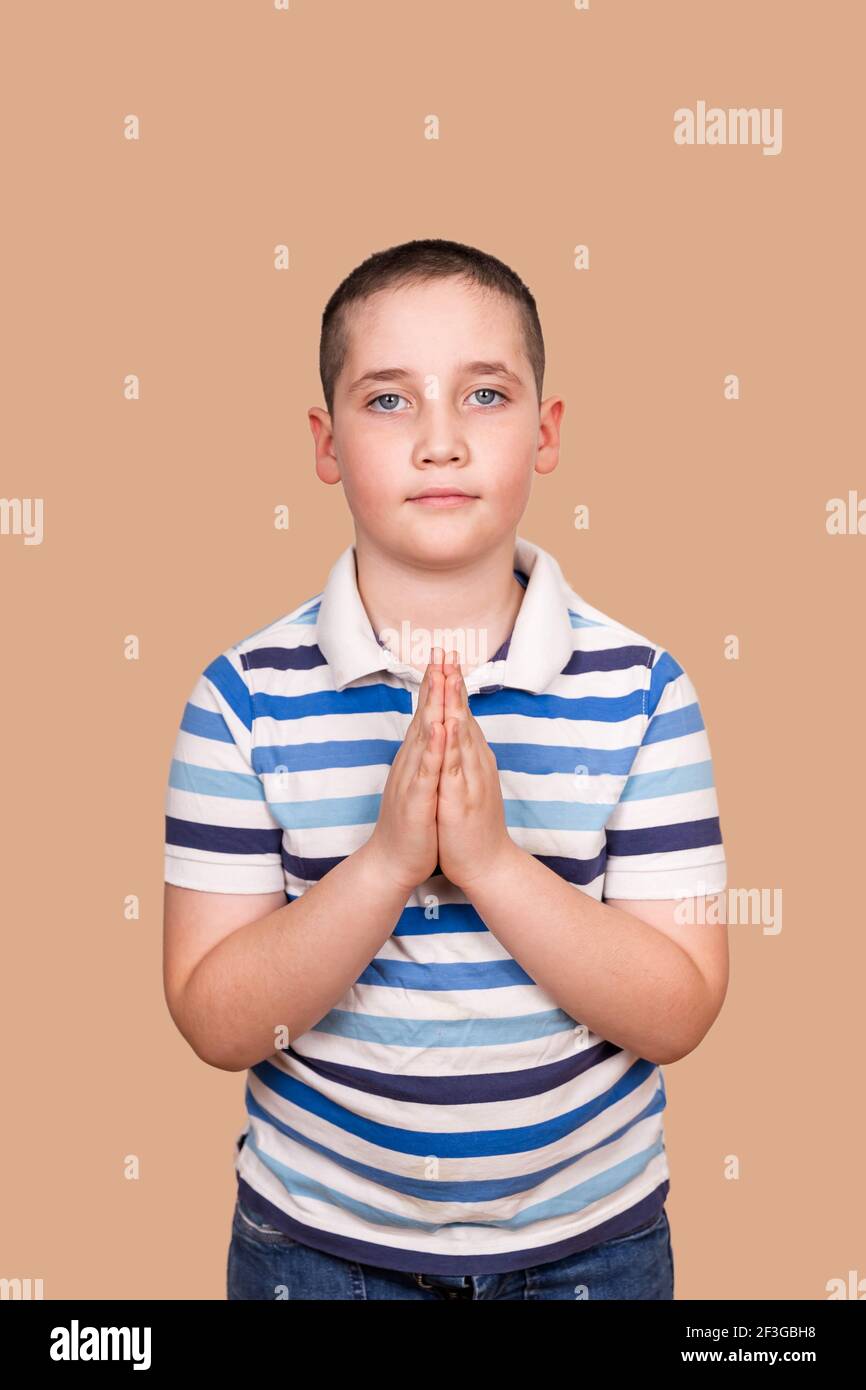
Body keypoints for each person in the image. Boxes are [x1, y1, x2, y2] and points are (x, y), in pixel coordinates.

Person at [162, 238, 729, 1300]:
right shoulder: (238, 699)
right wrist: (383, 864)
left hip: (591, 1252)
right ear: (325, 443)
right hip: (317, 1250)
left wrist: (491, 863)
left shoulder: (646, 690)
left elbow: (677, 1011)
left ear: (545, 431)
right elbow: (215, 1021)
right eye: (387, 401)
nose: (437, 442)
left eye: (483, 395)